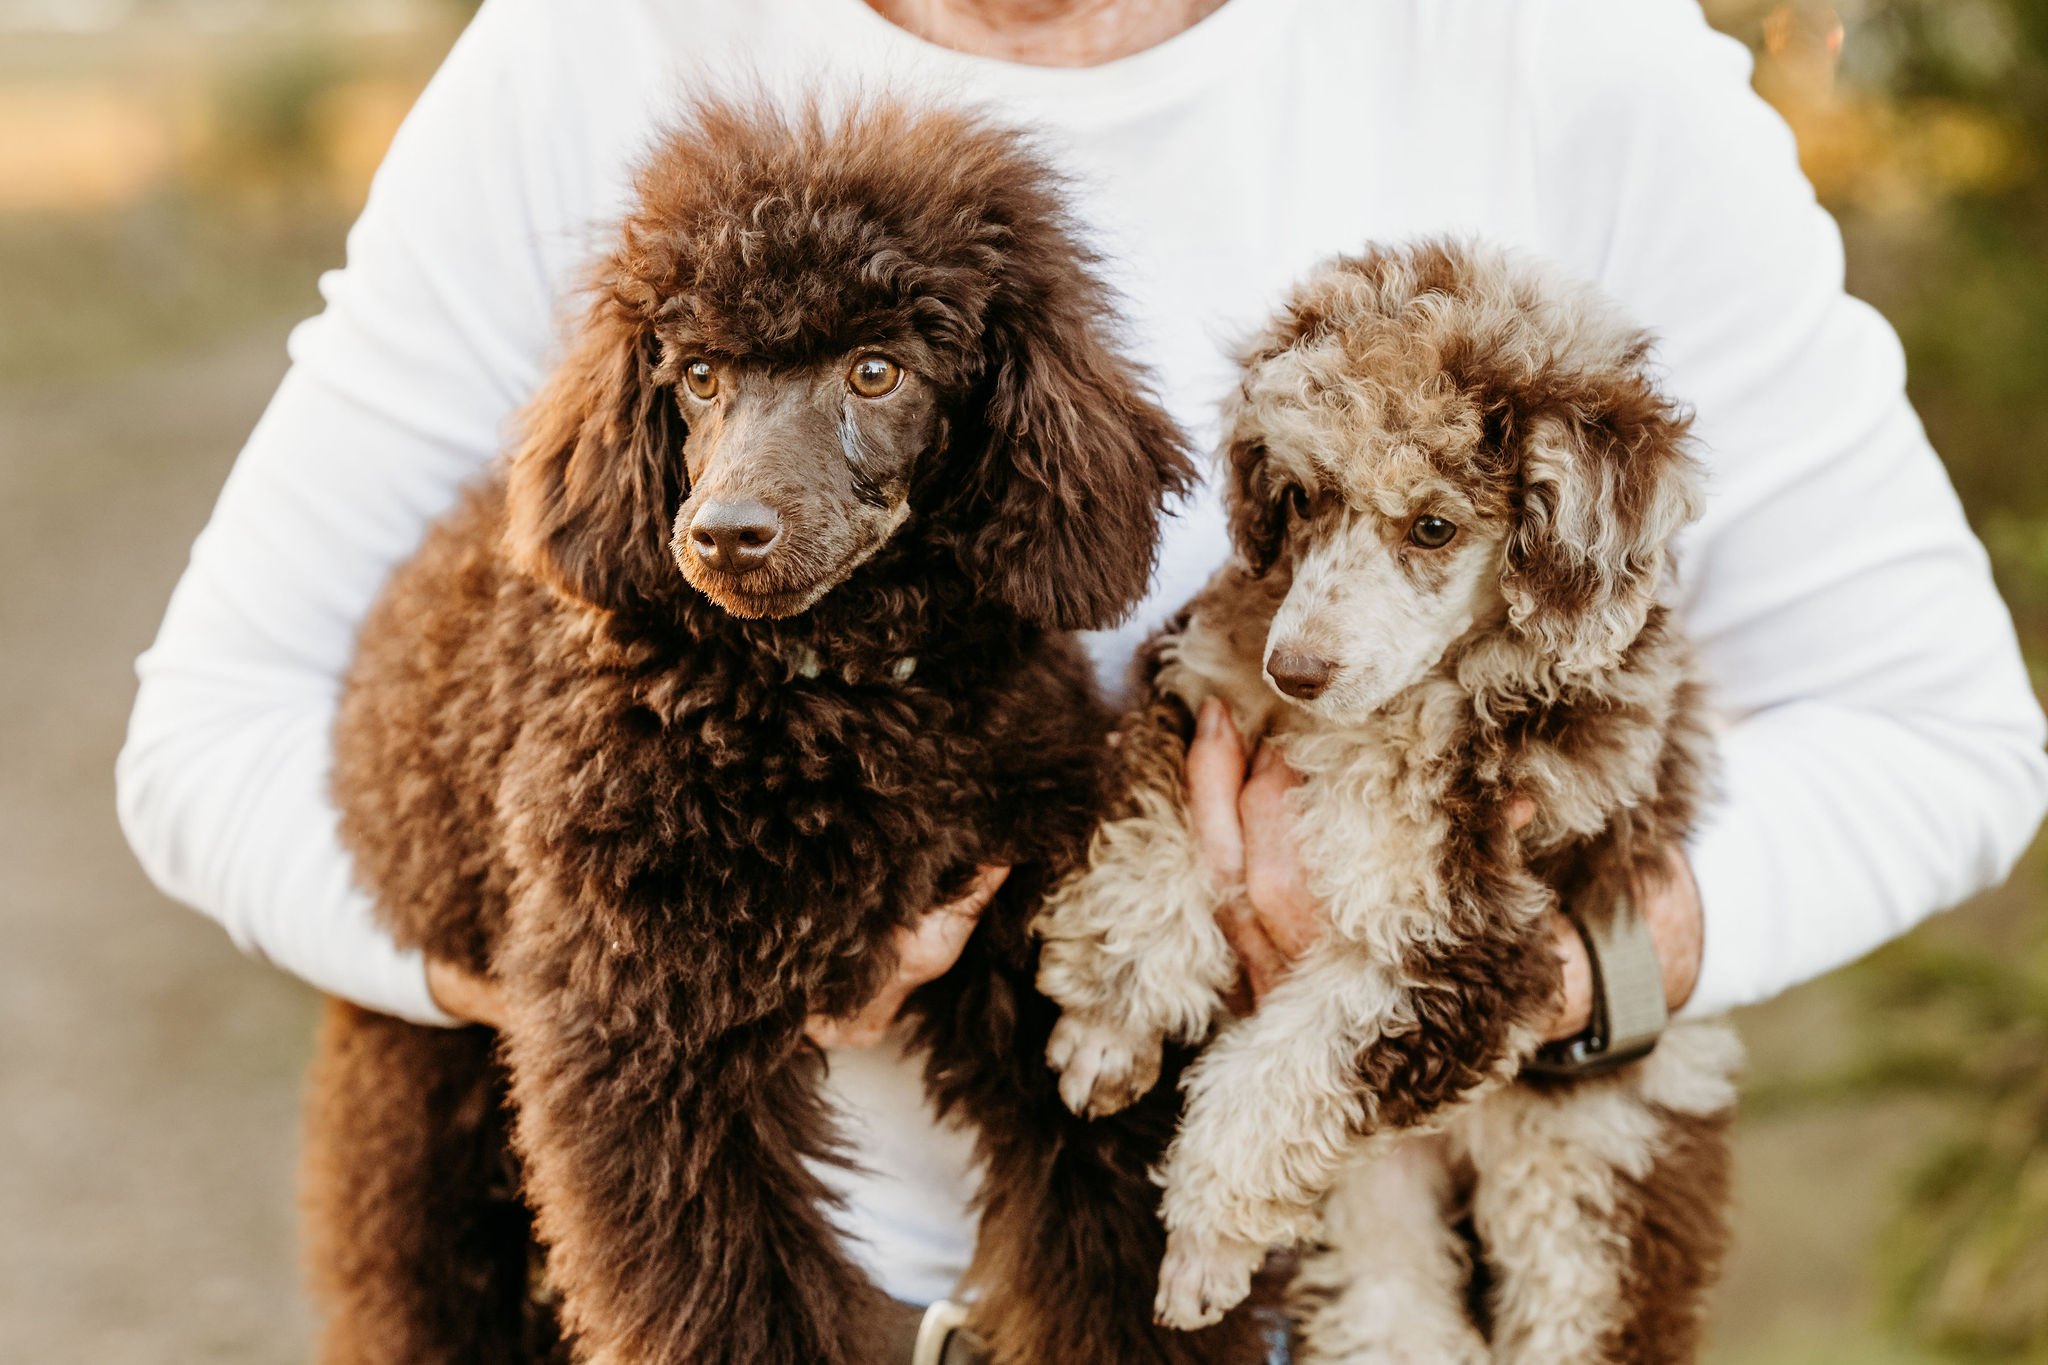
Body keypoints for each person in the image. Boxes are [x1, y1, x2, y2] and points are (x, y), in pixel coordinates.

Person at [118, 0, 2048, 1321]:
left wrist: (1537, 965)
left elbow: (1940, 729)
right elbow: (214, 731)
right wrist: (596, 976)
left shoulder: (1563, 50)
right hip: (739, 1300)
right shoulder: (598, 49)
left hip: (1360, 1296)